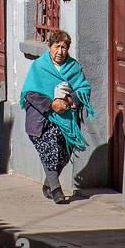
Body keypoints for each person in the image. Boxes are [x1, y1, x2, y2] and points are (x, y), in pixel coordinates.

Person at [19, 28, 95, 204]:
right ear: (49, 47)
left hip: (66, 119)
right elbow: (30, 93)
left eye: (64, 47)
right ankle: (56, 190)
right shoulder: (39, 66)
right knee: (50, 148)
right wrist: (51, 104)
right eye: (56, 47)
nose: (60, 52)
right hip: (41, 118)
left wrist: (69, 100)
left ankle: (48, 183)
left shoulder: (73, 67)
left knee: (64, 153)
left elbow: (84, 88)